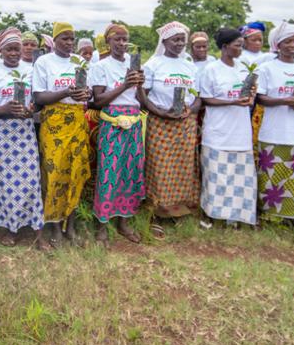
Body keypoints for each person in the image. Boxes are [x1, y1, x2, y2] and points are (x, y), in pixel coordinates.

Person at [0, 28, 45, 246]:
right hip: (1, 134)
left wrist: (32, 108)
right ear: (0, 50)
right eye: (9, 49)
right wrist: (5, 109)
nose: (14, 53)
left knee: (31, 180)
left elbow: (37, 100)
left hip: (24, 132)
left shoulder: (31, 70)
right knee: (6, 183)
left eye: (17, 48)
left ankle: (35, 226)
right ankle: (10, 228)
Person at [32, 22, 92, 243]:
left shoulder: (80, 62)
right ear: (55, 40)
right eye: (64, 38)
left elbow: (90, 93)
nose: (69, 42)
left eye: (72, 38)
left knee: (76, 173)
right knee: (55, 174)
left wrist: (84, 94)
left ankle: (71, 225)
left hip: (77, 122)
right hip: (54, 125)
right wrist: (66, 91)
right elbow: (38, 97)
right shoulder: (44, 62)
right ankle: (55, 226)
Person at [255, 21, 294, 221]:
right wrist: (286, 100)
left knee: (293, 176)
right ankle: (269, 215)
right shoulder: (265, 69)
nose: (293, 45)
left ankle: (289, 215)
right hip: (272, 132)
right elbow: (260, 98)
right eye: (288, 42)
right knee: (270, 176)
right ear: (278, 45)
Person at [141, 21, 202, 224]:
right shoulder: (153, 65)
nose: (179, 44)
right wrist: (159, 111)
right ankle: (158, 211)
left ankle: (181, 210)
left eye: (182, 40)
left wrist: (189, 111)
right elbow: (142, 95)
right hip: (160, 123)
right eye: (175, 39)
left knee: (183, 166)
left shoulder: (189, 66)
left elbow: (199, 96)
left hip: (186, 123)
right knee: (159, 166)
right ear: (164, 41)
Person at [89, 23, 145, 243]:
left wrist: (139, 84)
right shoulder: (101, 66)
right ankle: (102, 223)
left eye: (125, 40)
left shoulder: (135, 65)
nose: (122, 44)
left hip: (133, 123)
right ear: (108, 42)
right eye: (117, 39)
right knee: (108, 172)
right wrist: (124, 84)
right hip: (112, 124)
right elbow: (98, 100)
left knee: (129, 172)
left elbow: (140, 100)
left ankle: (123, 221)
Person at [198, 28, 257, 226]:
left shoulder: (244, 68)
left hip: (241, 131)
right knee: (217, 176)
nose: (241, 49)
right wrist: (231, 102)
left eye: (242, 45)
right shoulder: (211, 70)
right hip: (218, 133)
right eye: (237, 45)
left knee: (239, 177)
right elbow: (205, 98)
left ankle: (235, 217)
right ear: (224, 47)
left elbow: (248, 96)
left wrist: (251, 96)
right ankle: (212, 216)